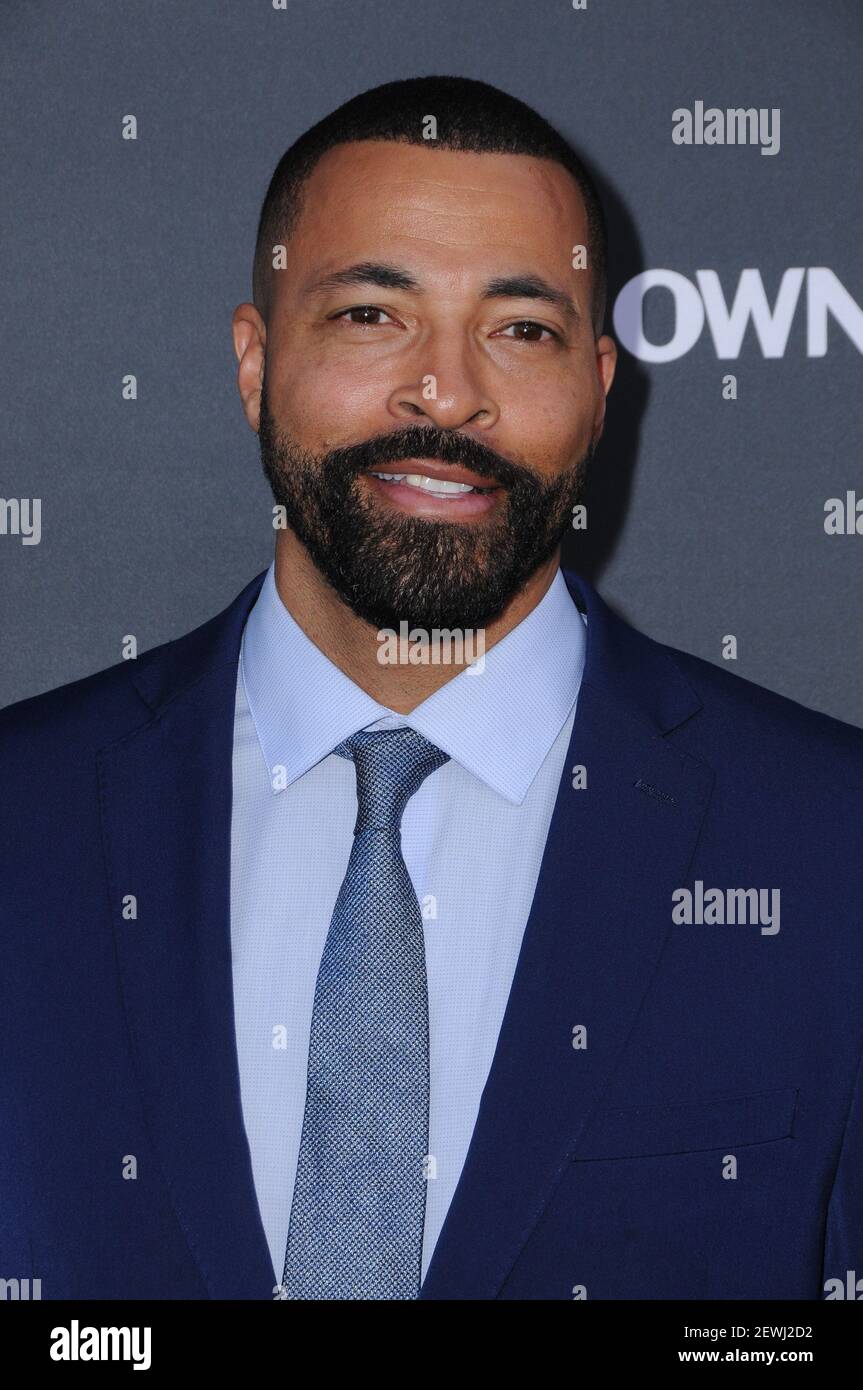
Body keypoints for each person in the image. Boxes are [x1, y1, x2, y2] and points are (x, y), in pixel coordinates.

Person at [2, 75, 862, 1302]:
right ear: (254, 363)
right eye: (368, 316)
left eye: (521, 329)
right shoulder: (21, 816)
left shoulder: (833, 849)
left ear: (602, 388)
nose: (444, 392)